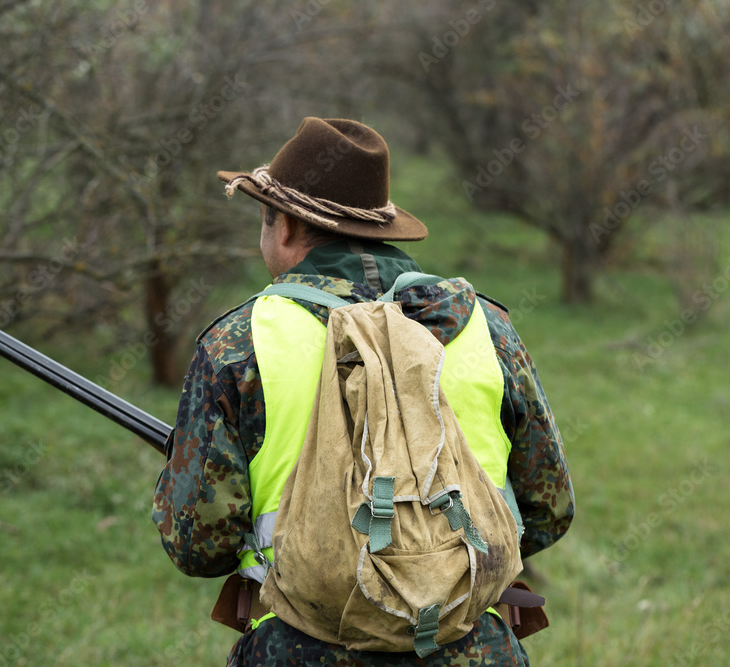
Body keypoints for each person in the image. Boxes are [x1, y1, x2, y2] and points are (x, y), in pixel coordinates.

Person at [152, 117, 574, 666]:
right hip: (474, 650)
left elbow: (197, 547)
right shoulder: (485, 327)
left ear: (282, 226)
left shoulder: (240, 343)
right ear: (381, 229)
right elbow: (548, 511)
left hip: (301, 651)